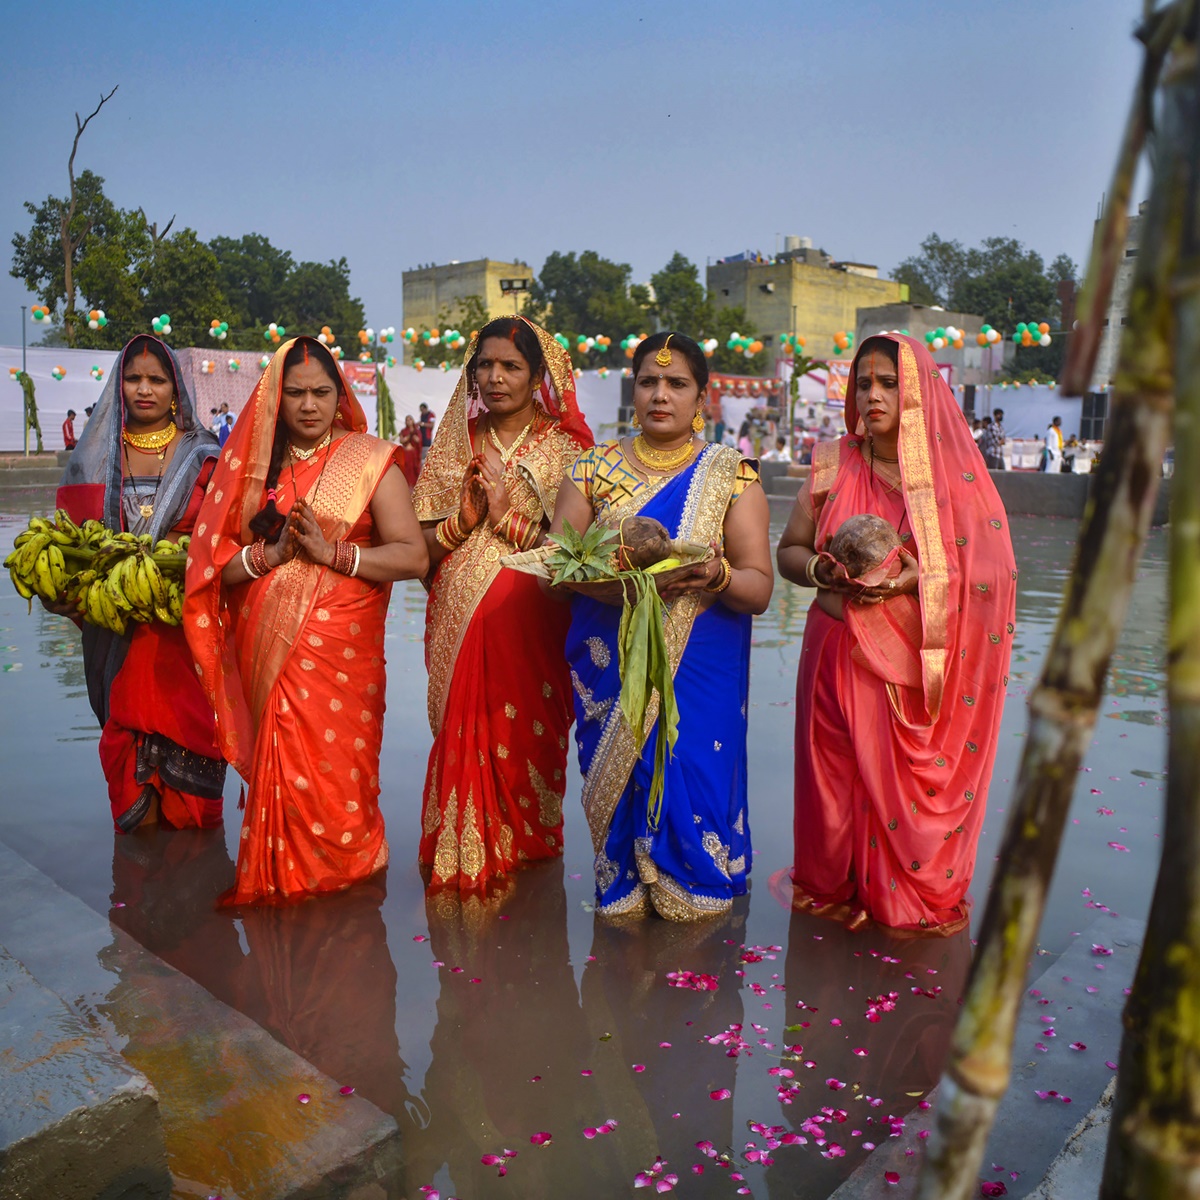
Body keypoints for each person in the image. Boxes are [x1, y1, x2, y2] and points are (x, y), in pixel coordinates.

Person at [775, 334, 1016, 934]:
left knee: (894, 790)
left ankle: (897, 898)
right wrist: (818, 570)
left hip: (907, 663)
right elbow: (789, 552)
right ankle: (834, 891)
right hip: (832, 650)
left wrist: (923, 578)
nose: (873, 395)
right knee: (831, 781)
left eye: (888, 383)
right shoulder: (833, 462)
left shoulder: (948, 479)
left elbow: (995, 574)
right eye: (863, 384)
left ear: (918, 392)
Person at [184, 336, 428, 905]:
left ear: (339, 394)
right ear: (276, 396)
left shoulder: (369, 460)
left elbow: (413, 556)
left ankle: (345, 888)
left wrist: (332, 555)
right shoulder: (250, 470)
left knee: (337, 779)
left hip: (341, 658)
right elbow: (213, 570)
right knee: (283, 775)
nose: (310, 405)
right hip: (272, 658)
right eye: (295, 392)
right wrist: (269, 558)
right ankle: (281, 888)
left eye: (322, 391)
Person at [550, 331, 773, 921]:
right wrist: (624, 583)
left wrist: (713, 574)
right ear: (634, 390)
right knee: (620, 865)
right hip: (610, 664)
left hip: (701, 670)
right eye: (649, 381)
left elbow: (759, 588)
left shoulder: (732, 476)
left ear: (702, 396)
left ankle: (693, 902)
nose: (660, 394)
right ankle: (624, 899)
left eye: (677, 384)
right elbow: (556, 565)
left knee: (692, 778)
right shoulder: (591, 470)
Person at [411, 316, 593, 896]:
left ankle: (529, 864)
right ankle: (457, 864)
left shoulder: (568, 450)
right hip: (458, 624)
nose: (495, 377)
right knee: (461, 739)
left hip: (532, 628)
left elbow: (572, 562)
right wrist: (463, 521)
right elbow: (419, 554)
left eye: (511, 366)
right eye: (484, 365)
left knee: (525, 747)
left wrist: (504, 516)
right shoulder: (452, 443)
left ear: (538, 375)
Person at [56, 335, 227, 832]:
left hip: (185, 644)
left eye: (157, 379)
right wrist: (70, 598)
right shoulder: (92, 460)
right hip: (117, 637)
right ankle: (133, 906)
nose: (144, 389)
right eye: (134, 378)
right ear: (118, 385)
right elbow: (68, 549)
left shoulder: (207, 458)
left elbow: (225, 543)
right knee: (136, 823)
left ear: (176, 389)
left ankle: (196, 899)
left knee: (195, 822)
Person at [397, 414, 422, 486]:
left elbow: (418, 440)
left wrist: (414, 435)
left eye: (410, 419)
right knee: (406, 471)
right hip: (406, 454)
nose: (409, 421)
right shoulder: (403, 431)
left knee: (413, 471)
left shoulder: (416, 431)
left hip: (413, 454)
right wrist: (409, 435)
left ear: (413, 420)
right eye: (407, 420)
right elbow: (402, 440)